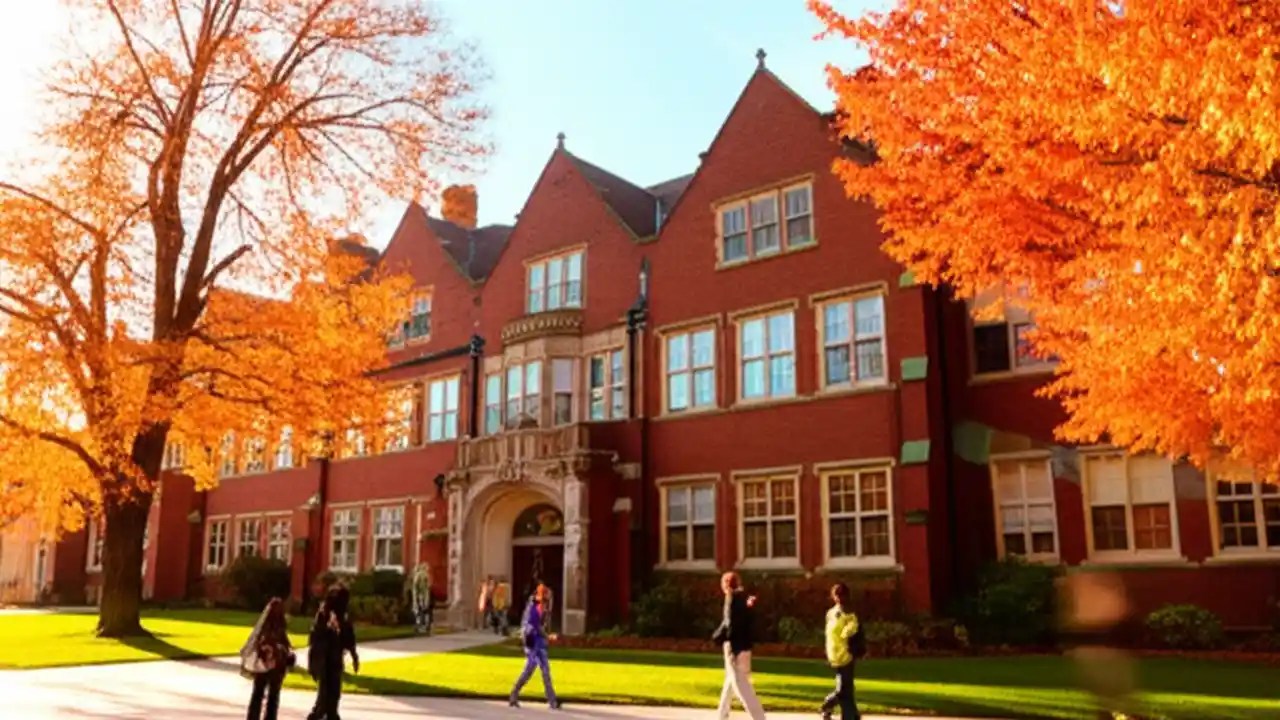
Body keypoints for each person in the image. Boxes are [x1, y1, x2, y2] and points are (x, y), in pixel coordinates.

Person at [712, 571, 767, 720]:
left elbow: (729, 624)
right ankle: (721, 715)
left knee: (742, 687)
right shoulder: (744, 600)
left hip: (734, 648)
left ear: (726, 585)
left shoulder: (732, 599)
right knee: (730, 680)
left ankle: (759, 717)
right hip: (745, 647)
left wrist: (718, 637)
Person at [307, 584, 359, 720]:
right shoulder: (324, 614)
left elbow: (349, 636)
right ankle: (318, 714)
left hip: (335, 659)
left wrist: (354, 656)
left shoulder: (343, 617)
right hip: (324, 658)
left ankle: (331, 713)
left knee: (334, 691)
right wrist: (329, 629)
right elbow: (315, 637)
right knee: (324, 693)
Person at [241, 597, 295, 720]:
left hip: (264, 666)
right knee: (273, 696)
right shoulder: (280, 628)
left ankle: (253, 717)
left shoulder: (264, 629)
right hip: (276, 666)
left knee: (259, 694)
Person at [508, 583, 561, 710]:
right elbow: (535, 626)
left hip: (540, 644)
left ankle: (552, 700)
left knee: (545, 671)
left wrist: (546, 637)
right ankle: (514, 694)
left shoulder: (543, 609)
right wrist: (547, 636)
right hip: (532, 643)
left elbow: (542, 626)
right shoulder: (533, 607)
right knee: (529, 670)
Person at [821, 582, 863, 720]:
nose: (839, 598)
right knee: (845, 690)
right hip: (837, 655)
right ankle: (829, 704)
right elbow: (832, 635)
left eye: (841, 595)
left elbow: (853, 631)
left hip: (845, 655)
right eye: (837, 595)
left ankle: (850, 716)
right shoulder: (833, 613)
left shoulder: (848, 613)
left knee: (846, 689)